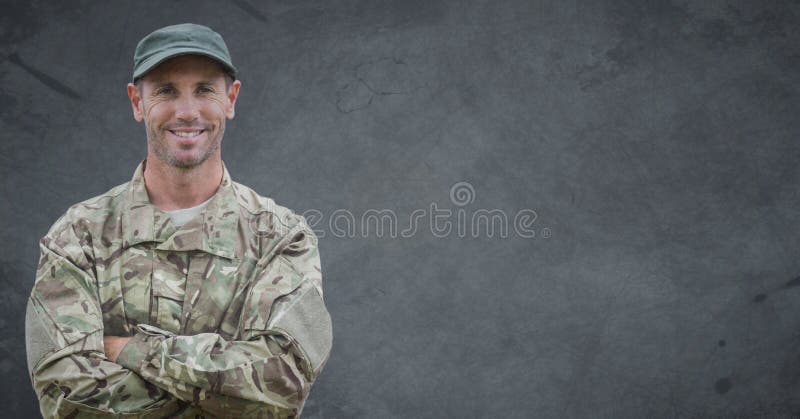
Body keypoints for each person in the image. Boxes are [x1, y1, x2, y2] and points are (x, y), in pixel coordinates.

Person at [24, 23, 332, 418]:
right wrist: (223, 394)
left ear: (231, 99)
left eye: (204, 90)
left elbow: (280, 383)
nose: (187, 112)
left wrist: (128, 349)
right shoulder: (78, 236)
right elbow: (65, 394)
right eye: (166, 90)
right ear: (137, 102)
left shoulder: (280, 238)